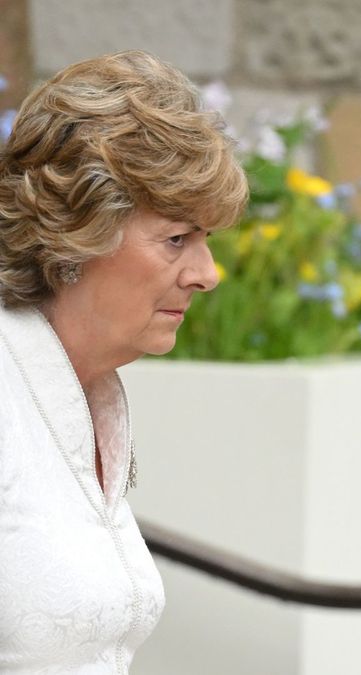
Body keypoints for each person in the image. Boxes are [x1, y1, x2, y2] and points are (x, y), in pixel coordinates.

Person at [0, 51, 246, 671]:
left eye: (206, 240)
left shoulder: (88, 392)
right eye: (176, 239)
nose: (207, 275)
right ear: (77, 233)